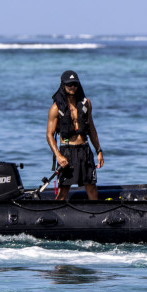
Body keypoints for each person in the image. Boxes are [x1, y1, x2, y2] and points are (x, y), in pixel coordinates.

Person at [47, 70, 103, 200]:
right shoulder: (56, 108)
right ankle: (56, 216)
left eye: (75, 84)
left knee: (91, 187)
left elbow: (92, 129)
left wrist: (99, 150)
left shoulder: (86, 103)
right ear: (63, 85)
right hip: (67, 151)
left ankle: (95, 215)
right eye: (69, 84)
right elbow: (49, 135)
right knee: (63, 190)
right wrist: (58, 155)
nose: (72, 87)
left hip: (85, 149)